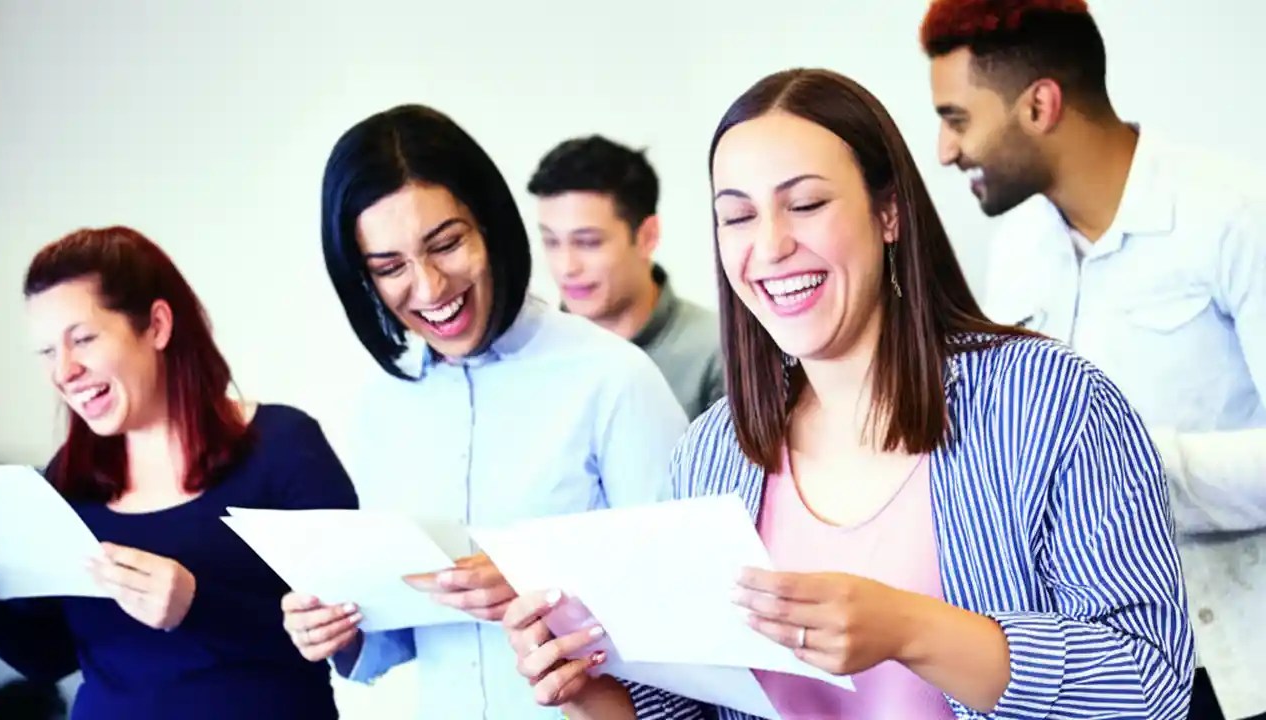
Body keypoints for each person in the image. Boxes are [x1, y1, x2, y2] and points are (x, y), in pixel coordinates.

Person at [500, 67, 1194, 720]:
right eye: (736, 217)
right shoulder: (714, 453)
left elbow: (1152, 682)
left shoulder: (1050, 402)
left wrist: (911, 629)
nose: (769, 247)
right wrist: (591, 691)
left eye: (805, 204)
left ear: (889, 212)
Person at [280, 104, 687, 719]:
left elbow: (685, 597)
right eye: (389, 267)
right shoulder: (380, 408)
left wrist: (539, 579)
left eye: (445, 244)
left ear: (490, 226)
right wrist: (339, 626)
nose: (429, 287)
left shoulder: (611, 377)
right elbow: (403, 624)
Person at [921, 2, 1266, 718]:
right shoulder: (1019, 249)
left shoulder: (1235, 215)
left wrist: (1120, 475)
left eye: (957, 119)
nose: (944, 151)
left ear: (1040, 104)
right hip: (1098, 669)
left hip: (1239, 666)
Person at [0, 226, 358, 719]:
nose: (64, 371)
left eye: (83, 339)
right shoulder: (64, 479)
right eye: (49, 353)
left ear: (157, 325)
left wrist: (198, 605)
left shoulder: (283, 446)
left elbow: (359, 635)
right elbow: (49, 657)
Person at [528, 135, 724, 420]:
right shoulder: (530, 350)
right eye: (551, 241)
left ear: (647, 236)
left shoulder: (718, 355)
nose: (566, 266)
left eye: (588, 242)